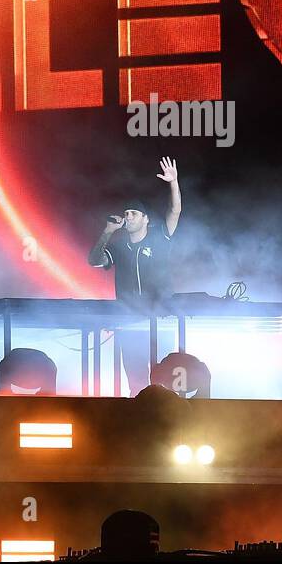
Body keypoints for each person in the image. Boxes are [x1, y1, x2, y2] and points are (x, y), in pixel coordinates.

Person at [87, 157, 181, 394]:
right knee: (137, 386)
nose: (128, 217)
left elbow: (175, 210)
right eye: (126, 213)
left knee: (166, 384)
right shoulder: (119, 247)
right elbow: (94, 261)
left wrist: (174, 183)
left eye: (134, 213)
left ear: (146, 219)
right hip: (129, 324)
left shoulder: (159, 237)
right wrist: (108, 231)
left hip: (160, 322)